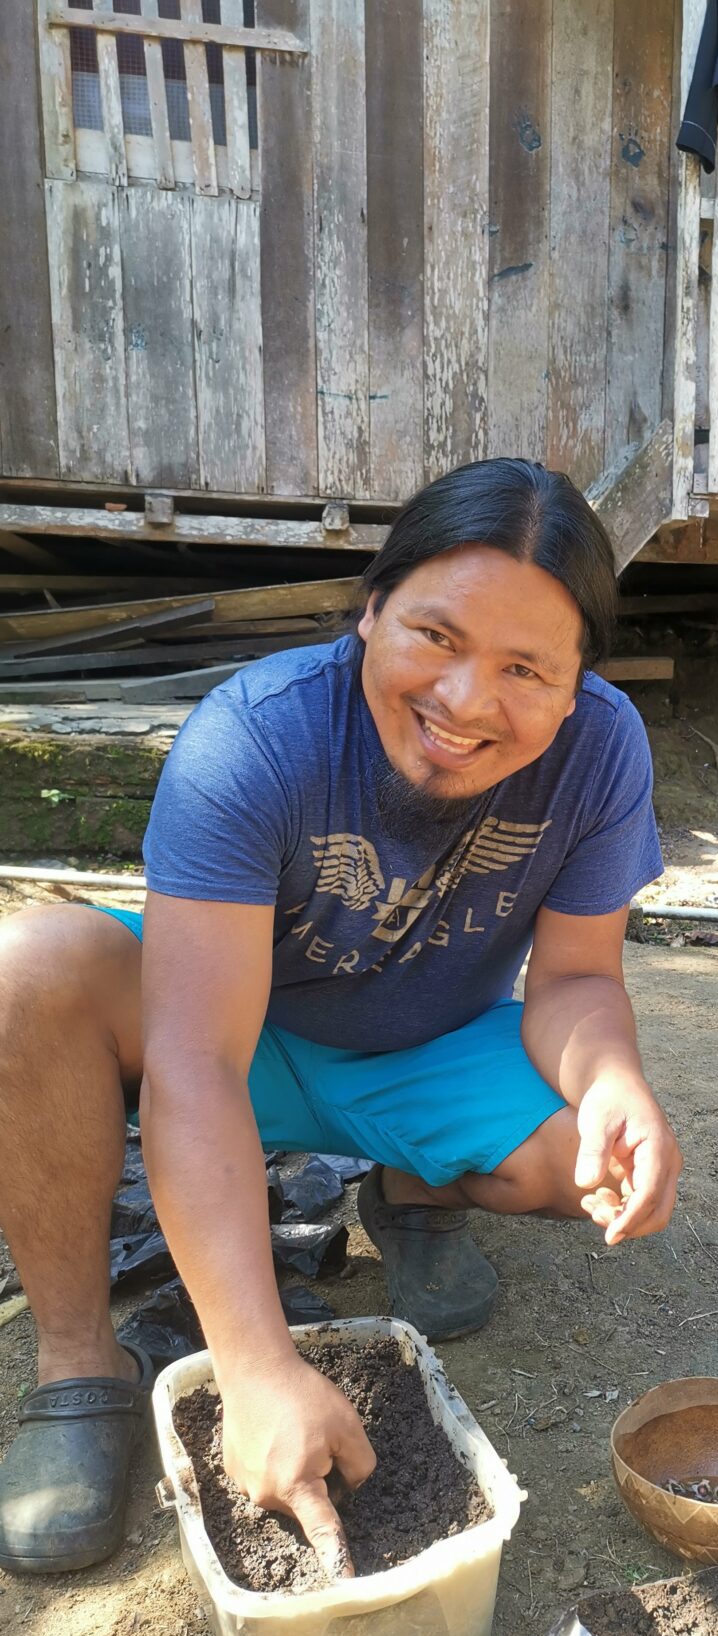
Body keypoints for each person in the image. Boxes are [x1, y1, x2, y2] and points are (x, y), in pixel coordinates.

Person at [0, 459, 683, 1579]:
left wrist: (613, 1082)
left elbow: (573, 984)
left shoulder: (603, 751)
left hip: (420, 1041)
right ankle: (78, 1364)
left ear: (576, 687)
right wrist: (258, 1366)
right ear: (370, 610)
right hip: (237, 1033)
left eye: (525, 669)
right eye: (435, 636)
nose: (466, 701)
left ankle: (408, 1186)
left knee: (587, 1164)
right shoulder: (257, 740)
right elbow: (197, 1061)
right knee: (29, 966)